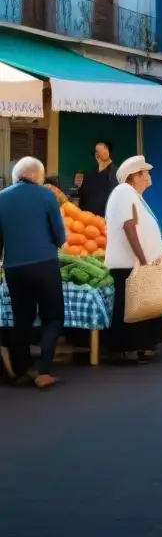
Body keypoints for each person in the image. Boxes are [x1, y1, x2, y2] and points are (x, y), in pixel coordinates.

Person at [0, 157, 65, 388]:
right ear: (38, 176)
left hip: (13, 268)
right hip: (44, 264)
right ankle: (43, 369)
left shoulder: (2, 197)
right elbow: (60, 236)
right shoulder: (46, 195)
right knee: (54, 316)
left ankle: (22, 370)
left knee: (22, 320)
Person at [103, 155, 162, 363]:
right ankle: (126, 350)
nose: (149, 176)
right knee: (128, 308)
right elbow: (128, 226)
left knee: (141, 306)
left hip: (137, 263)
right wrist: (141, 258)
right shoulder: (124, 192)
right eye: (145, 172)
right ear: (134, 176)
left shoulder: (133, 195)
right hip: (127, 264)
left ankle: (141, 346)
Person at [78, 139, 119, 216]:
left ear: (108, 152)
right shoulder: (89, 174)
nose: (97, 153)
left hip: (108, 220)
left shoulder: (117, 174)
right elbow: (82, 196)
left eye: (100, 150)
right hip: (88, 220)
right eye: (96, 151)